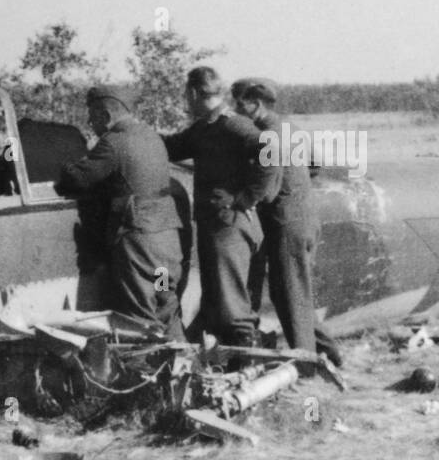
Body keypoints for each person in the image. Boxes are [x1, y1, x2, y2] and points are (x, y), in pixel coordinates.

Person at [55, 86, 185, 338]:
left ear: (105, 114)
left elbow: (79, 179)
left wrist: (65, 166)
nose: (90, 123)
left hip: (140, 245)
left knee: (139, 317)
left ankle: (146, 372)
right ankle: (185, 365)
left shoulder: (114, 141)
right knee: (166, 304)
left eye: (92, 117)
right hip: (166, 243)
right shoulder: (151, 136)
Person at [162, 67, 278, 346]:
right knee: (217, 302)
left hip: (229, 227)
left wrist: (247, 198)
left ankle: (248, 365)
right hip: (214, 225)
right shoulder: (205, 128)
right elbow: (171, 147)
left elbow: (271, 151)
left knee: (232, 308)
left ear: (192, 93)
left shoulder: (233, 125)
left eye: (185, 96)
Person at [232, 78, 341, 365]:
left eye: (239, 102)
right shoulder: (289, 128)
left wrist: (247, 198)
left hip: (286, 223)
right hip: (305, 217)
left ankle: (305, 364)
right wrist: (296, 185)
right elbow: (316, 164)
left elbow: (267, 183)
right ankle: (330, 354)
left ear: (254, 105)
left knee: (291, 294)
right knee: (295, 292)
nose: (235, 108)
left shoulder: (268, 134)